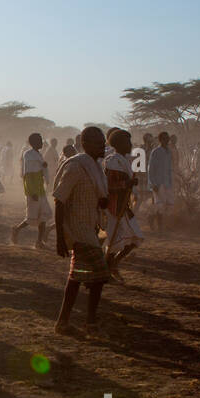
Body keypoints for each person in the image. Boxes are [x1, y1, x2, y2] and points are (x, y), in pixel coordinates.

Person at [52, 127, 109, 335]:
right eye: (99, 142)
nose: (103, 145)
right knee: (100, 274)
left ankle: (65, 322)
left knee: (79, 277)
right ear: (86, 144)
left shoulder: (95, 168)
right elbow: (59, 200)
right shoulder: (76, 166)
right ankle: (88, 322)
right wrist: (59, 237)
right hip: (77, 229)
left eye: (104, 142)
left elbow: (97, 197)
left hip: (90, 228)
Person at [103, 128, 143, 280]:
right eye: (128, 142)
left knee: (135, 238)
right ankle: (107, 269)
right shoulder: (112, 161)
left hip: (124, 206)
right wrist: (127, 183)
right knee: (114, 242)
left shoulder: (123, 161)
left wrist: (130, 184)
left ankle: (113, 264)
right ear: (119, 144)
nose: (131, 145)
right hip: (114, 207)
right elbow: (109, 185)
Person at [11, 132, 52, 248]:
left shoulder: (38, 154)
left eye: (41, 140)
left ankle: (39, 242)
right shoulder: (28, 155)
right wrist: (31, 191)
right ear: (33, 143)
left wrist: (44, 166)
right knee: (31, 217)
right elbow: (27, 175)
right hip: (33, 190)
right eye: (39, 141)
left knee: (43, 215)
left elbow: (41, 169)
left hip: (40, 188)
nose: (41, 143)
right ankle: (17, 230)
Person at [146, 130, 173, 232]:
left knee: (169, 204)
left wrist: (171, 182)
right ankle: (160, 227)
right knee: (160, 205)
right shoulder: (156, 152)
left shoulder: (169, 152)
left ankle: (151, 217)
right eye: (165, 138)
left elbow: (169, 168)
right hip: (158, 182)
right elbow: (151, 168)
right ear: (160, 139)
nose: (167, 140)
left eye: (168, 138)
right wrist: (153, 184)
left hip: (167, 182)